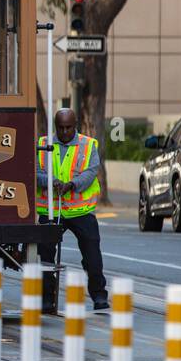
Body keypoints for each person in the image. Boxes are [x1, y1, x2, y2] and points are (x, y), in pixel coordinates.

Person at [36, 108, 108, 312]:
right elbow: (35, 171)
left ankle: (99, 296)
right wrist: (51, 182)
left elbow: (91, 171)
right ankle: (46, 299)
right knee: (45, 256)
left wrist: (72, 185)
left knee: (92, 254)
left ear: (75, 125)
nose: (65, 132)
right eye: (61, 128)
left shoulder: (88, 145)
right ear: (55, 126)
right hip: (51, 210)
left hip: (81, 211)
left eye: (68, 127)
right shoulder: (43, 144)